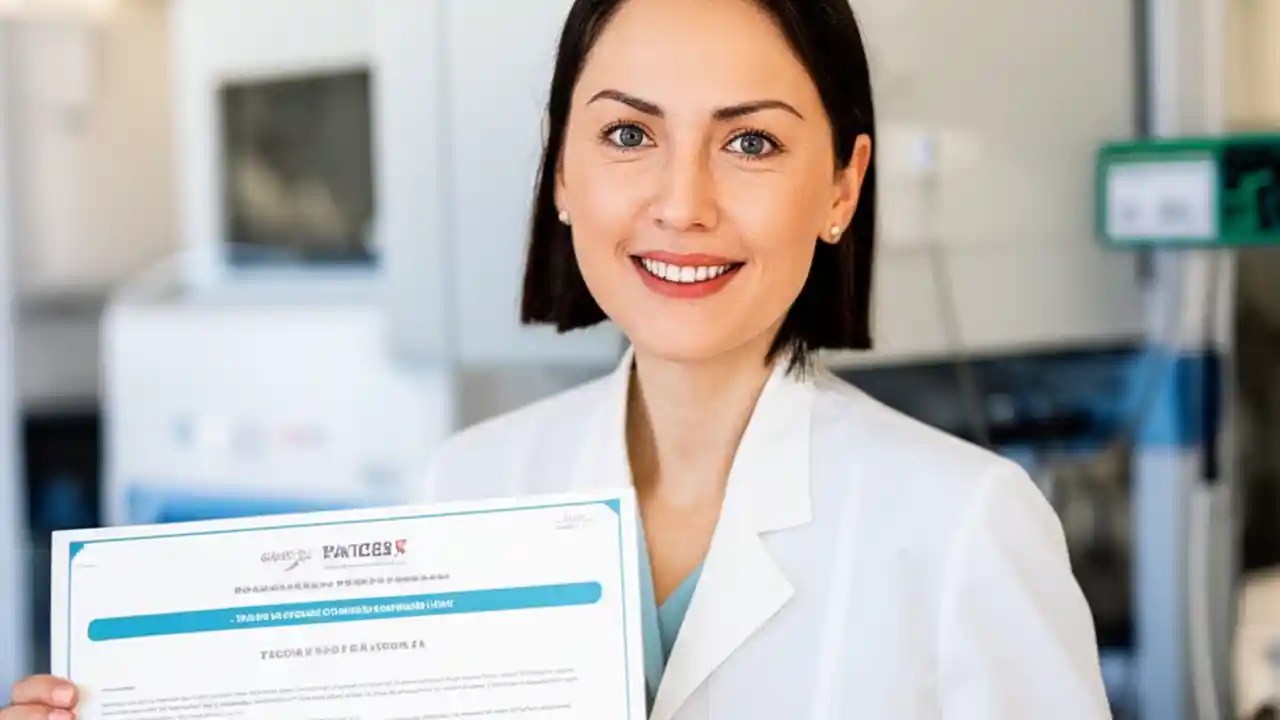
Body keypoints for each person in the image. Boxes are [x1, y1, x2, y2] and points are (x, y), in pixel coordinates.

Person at [5, 0, 1112, 717]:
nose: (681, 203)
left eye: (750, 142)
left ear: (840, 186)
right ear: (563, 173)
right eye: (628, 135)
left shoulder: (963, 523)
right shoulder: (467, 487)